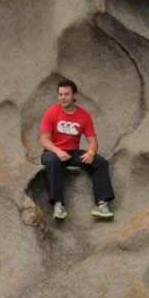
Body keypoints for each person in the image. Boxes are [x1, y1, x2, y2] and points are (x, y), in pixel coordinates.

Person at [38, 79, 115, 221]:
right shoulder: (51, 113)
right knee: (53, 160)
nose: (63, 98)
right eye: (60, 94)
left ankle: (102, 204)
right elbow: (44, 139)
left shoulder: (84, 116)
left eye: (66, 94)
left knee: (100, 162)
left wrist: (91, 153)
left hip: (72, 153)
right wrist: (57, 151)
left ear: (75, 96)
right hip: (52, 152)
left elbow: (92, 141)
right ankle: (58, 205)